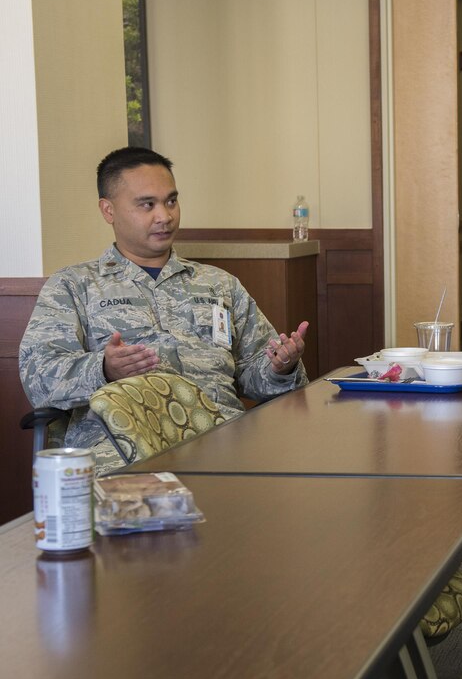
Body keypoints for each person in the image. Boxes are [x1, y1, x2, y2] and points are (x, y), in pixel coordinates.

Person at [20, 147, 309, 473]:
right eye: (147, 204)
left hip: (222, 440)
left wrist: (279, 368)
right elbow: (39, 377)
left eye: (171, 201)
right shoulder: (74, 286)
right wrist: (103, 368)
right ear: (108, 210)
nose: (164, 216)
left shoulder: (218, 284)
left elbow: (255, 376)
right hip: (120, 449)